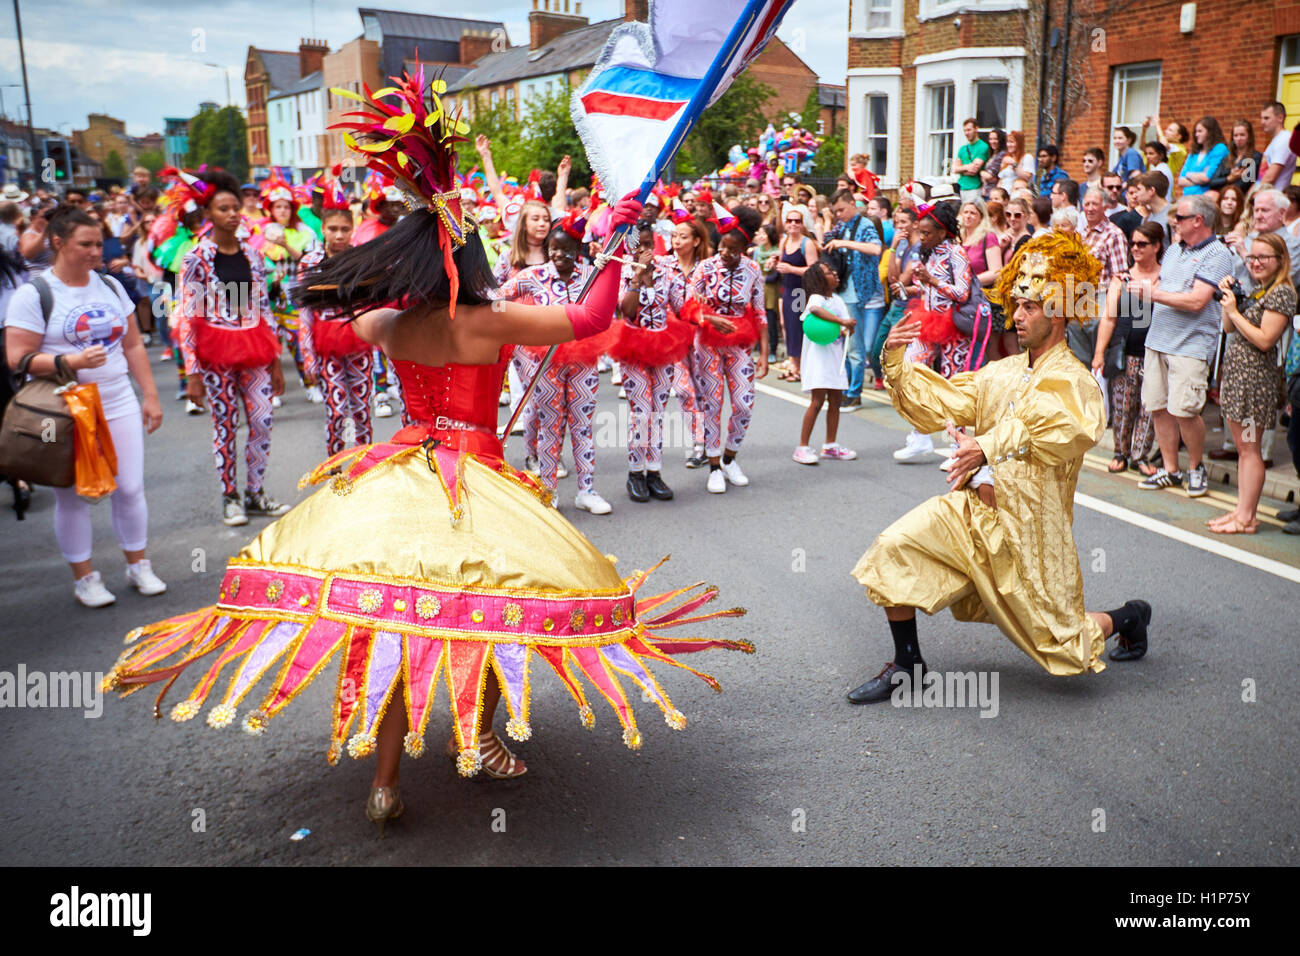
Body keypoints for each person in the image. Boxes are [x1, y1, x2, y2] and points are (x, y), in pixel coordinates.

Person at [107, 82, 751, 832]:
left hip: (397, 478)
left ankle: (385, 781)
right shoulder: (491, 321)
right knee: (474, 611)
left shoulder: (385, 322)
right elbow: (590, 315)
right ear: (470, 259)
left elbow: (340, 310)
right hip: (472, 484)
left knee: (394, 624)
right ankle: (477, 742)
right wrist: (614, 237)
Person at [846, 231, 1153, 706]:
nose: (1018, 315)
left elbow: (1063, 427)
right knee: (892, 550)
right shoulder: (1003, 371)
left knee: (1066, 649)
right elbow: (940, 402)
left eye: (1030, 307)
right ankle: (909, 666)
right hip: (974, 512)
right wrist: (896, 359)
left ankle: (1129, 616)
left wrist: (987, 447)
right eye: (1017, 305)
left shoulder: (1076, 382)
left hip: (1028, 531)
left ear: (1058, 311)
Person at [4, 206, 166, 606]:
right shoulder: (34, 293)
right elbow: (17, 356)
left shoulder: (109, 286)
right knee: (73, 494)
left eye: (98, 243)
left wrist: (150, 395)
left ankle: (138, 565)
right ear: (58, 243)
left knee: (129, 487)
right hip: (65, 409)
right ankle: (85, 577)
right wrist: (69, 363)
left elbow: (131, 344)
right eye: (86, 244)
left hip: (116, 399)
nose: (96, 251)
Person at [177, 168, 292, 525]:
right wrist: (192, 373)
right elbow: (189, 316)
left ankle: (255, 492)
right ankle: (230, 496)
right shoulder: (196, 258)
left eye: (235, 207)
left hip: (254, 348)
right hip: (215, 355)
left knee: (261, 419)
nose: (231, 214)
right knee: (225, 425)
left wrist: (275, 361)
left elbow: (261, 307)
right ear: (207, 213)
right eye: (222, 208)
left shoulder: (254, 257)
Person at [500, 219, 612, 514]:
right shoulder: (532, 275)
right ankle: (548, 492)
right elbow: (497, 297)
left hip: (584, 361)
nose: (558, 255)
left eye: (565, 249)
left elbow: (612, 302)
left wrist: (610, 264)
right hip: (546, 361)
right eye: (553, 249)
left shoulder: (592, 274)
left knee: (583, 425)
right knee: (550, 424)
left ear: (578, 249)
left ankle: (586, 491)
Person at [1135, 195, 1237, 496]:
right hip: (1158, 340)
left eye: (1179, 217)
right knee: (1158, 408)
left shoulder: (1218, 253)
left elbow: (1197, 300)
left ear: (1198, 221)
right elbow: (1164, 286)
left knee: (1185, 411)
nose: (1174, 222)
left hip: (1190, 345)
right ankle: (1171, 470)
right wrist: (1145, 288)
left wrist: (1152, 294)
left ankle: (1195, 468)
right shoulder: (1174, 251)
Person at [671, 205, 768, 494]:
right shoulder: (704, 268)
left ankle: (729, 458)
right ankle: (713, 466)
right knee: (712, 404)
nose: (726, 253)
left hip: (739, 344)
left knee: (743, 404)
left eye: (733, 249)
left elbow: (761, 313)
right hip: (708, 344)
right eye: (723, 247)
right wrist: (709, 317)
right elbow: (687, 308)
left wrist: (764, 354)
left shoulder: (753, 270)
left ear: (744, 248)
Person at [1207, 233, 1296, 533]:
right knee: (1244, 450)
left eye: (1263, 258)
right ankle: (1241, 512)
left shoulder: (1282, 293)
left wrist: (1234, 311)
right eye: (1252, 257)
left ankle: (1247, 517)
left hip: (1255, 382)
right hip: (1238, 377)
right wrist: (1227, 301)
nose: (1255, 263)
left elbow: (1264, 340)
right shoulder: (1260, 290)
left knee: (1249, 449)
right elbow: (1229, 327)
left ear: (1280, 261)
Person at [892, 201, 981, 463]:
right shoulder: (926, 252)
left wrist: (931, 281)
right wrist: (912, 288)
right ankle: (920, 436)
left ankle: (959, 447)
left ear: (943, 232)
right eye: (920, 232)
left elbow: (962, 293)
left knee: (952, 386)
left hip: (955, 324)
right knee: (911, 373)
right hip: (927, 319)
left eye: (927, 233)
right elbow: (927, 289)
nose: (922, 237)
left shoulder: (956, 253)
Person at [613, 221, 694, 503]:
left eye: (649, 244)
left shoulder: (666, 273)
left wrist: (704, 315)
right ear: (629, 246)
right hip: (633, 348)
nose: (645, 250)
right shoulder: (621, 272)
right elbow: (628, 312)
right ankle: (635, 472)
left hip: (662, 347)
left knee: (658, 412)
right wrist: (636, 278)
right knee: (642, 412)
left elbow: (681, 307)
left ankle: (654, 472)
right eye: (639, 245)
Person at [297, 206, 373, 457]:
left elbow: (372, 304)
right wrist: (307, 355)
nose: (339, 235)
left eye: (345, 229)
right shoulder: (309, 262)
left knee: (362, 409)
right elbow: (304, 313)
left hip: (359, 340)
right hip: (326, 344)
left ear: (353, 230)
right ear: (322, 229)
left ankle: (365, 466)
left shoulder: (363, 258)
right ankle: (335, 465)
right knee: (337, 410)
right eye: (333, 229)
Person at [1094, 221, 1164, 475]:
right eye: (1132, 243)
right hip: (1124, 353)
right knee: (1124, 407)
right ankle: (1120, 453)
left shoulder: (1165, 277)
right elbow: (1109, 318)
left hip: (1154, 354)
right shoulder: (1121, 278)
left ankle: (1141, 456)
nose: (1135, 248)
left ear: (1156, 246)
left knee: (1149, 407)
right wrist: (1099, 353)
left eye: (1142, 244)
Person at [822, 188, 883, 411]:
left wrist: (845, 244)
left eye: (841, 209)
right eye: (835, 211)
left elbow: (876, 249)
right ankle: (846, 390)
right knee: (845, 345)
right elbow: (826, 242)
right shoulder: (843, 226)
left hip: (856, 291)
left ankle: (854, 394)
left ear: (853, 205)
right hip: (844, 290)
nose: (839, 214)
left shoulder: (864, 225)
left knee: (854, 347)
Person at [792, 260, 857, 464]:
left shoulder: (838, 300)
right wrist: (841, 322)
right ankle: (802, 446)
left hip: (835, 358)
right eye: (829, 272)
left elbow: (846, 326)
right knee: (817, 402)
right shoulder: (816, 298)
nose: (835, 273)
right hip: (818, 360)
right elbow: (816, 312)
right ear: (820, 279)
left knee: (836, 401)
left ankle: (830, 445)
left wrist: (848, 328)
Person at [660, 215, 710, 467]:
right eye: (674, 236)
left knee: (705, 389)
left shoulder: (708, 267)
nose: (676, 241)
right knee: (683, 389)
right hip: (674, 337)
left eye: (683, 236)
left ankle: (709, 443)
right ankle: (698, 442)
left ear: (697, 240)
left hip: (703, 336)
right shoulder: (663, 264)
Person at [773, 202, 819, 382]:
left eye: (797, 221)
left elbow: (814, 269)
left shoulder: (807, 243)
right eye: (789, 220)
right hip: (787, 288)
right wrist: (774, 262)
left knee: (797, 327)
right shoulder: (784, 240)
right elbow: (781, 260)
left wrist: (792, 269)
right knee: (786, 325)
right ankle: (793, 364)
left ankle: (799, 368)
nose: (793, 224)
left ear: (802, 223)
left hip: (801, 290)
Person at [1178, 117, 1230, 197]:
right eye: (1196, 131)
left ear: (1210, 132)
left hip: (1205, 197)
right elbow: (1181, 181)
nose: (1196, 134)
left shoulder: (1219, 148)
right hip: (1187, 197)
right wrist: (1199, 178)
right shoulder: (1194, 153)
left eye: (1200, 131)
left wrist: (1188, 175)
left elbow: (1207, 177)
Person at [1258, 101, 1295, 189]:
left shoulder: (1284, 139)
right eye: (1262, 118)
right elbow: (1261, 177)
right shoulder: (1275, 141)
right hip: (1264, 195)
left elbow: (1270, 177)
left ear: (1280, 118)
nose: (1262, 122)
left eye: (1266, 118)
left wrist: (1252, 196)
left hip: (1274, 197)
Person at [953, 119, 991, 203]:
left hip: (975, 188)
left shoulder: (983, 146)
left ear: (976, 129)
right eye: (965, 130)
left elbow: (974, 169)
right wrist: (966, 168)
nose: (966, 133)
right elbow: (954, 169)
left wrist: (961, 169)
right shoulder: (962, 149)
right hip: (961, 187)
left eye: (969, 130)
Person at [1226, 120, 1263, 193]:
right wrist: (1230, 178)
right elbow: (1213, 181)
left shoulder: (1255, 157)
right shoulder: (1227, 158)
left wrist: (1224, 186)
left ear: (1249, 137)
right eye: (1236, 135)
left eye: (1242, 135)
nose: (1238, 138)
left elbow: (1246, 183)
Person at [998, 130, 1035, 195]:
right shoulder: (1006, 158)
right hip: (1003, 195)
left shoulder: (1027, 157)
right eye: (1008, 142)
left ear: (1019, 143)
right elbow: (1001, 179)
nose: (1009, 145)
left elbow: (1027, 178)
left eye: (1011, 142)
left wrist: (1014, 165)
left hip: (1017, 194)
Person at [980, 128, 1007, 200]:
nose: (992, 141)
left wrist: (979, 171)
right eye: (990, 139)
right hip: (986, 192)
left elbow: (989, 176)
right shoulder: (992, 154)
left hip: (994, 194)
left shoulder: (1002, 154)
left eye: (995, 139)